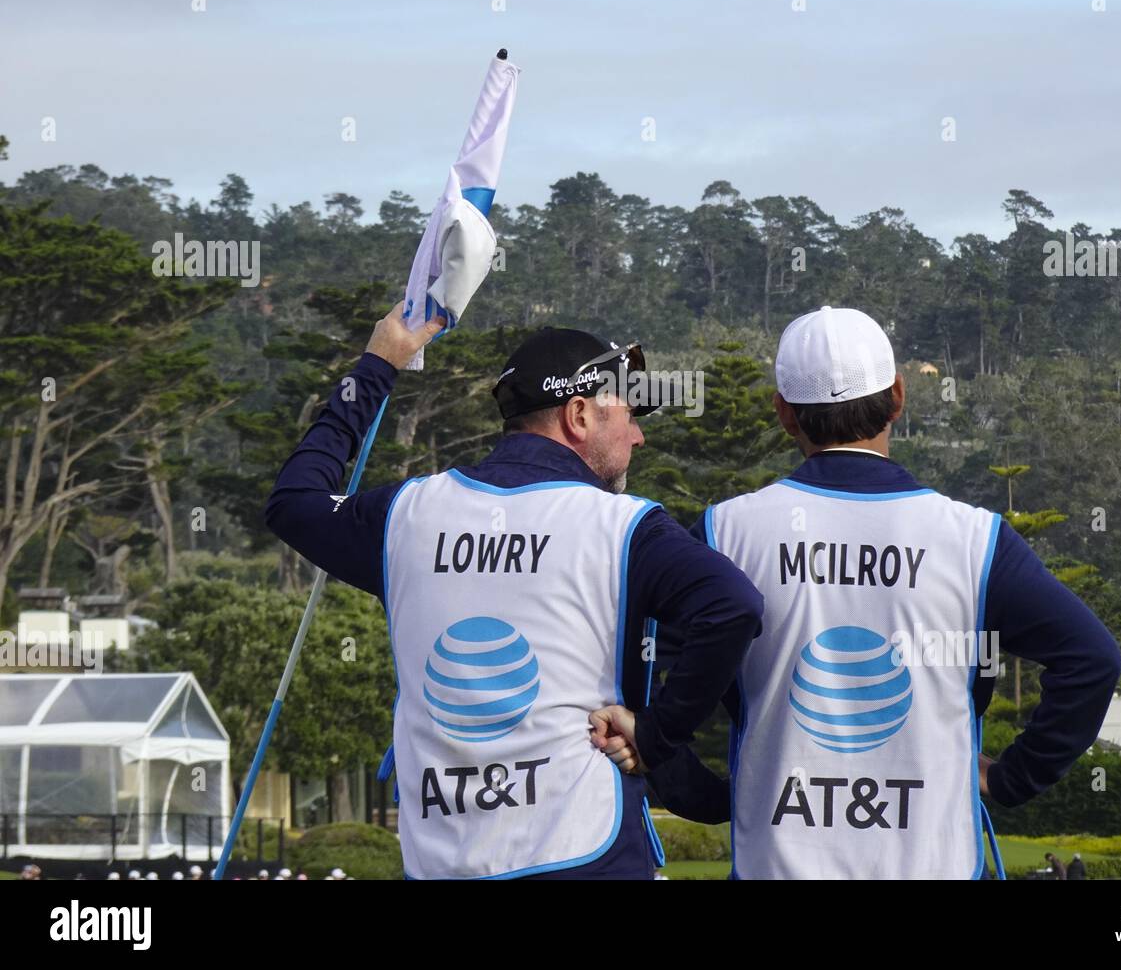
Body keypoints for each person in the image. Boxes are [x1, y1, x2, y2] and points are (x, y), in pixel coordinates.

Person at [599, 307, 1121, 880]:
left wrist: (696, 790)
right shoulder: (972, 539)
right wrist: (1012, 776)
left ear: (782, 414)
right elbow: (1093, 660)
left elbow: (647, 676)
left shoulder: (729, 531)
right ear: (898, 397)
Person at [266, 306, 762, 880]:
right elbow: (732, 606)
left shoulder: (408, 514)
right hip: (586, 857)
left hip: (443, 863)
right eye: (627, 413)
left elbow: (294, 500)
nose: (638, 434)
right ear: (579, 414)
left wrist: (379, 363)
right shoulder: (623, 524)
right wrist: (656, 735)